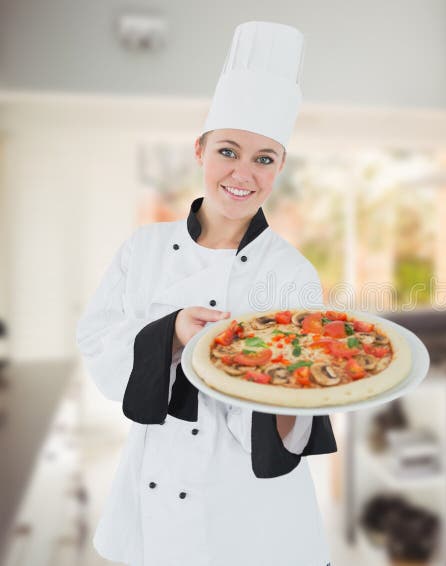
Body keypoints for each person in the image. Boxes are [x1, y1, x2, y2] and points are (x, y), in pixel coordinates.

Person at [76, 21, 336, 566]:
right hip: (155, 491)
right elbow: (97, 344)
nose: (243, 174)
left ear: (280, 167)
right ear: (199, 149)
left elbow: (298, 405)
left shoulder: (291, 273)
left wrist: (276, 377)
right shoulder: (144, 249)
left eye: (264, 158)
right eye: (228, 151)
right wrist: (170, 334)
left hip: (252, 506)